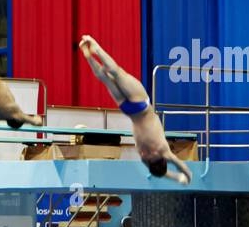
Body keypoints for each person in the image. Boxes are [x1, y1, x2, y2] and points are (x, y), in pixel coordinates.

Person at [79, 34, 192, 184]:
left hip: (131, 110)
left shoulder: (148, 158)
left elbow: (163, 172)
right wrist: (184, 177)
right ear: (160, 159)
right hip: (140, 105)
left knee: (106, 76)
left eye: (149, 159)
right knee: (115, 73)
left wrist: (178, 178)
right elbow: (182, 166)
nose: (148, 155)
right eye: (153, 158)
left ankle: (88, 55)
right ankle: (95, 47)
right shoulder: (162, 152)